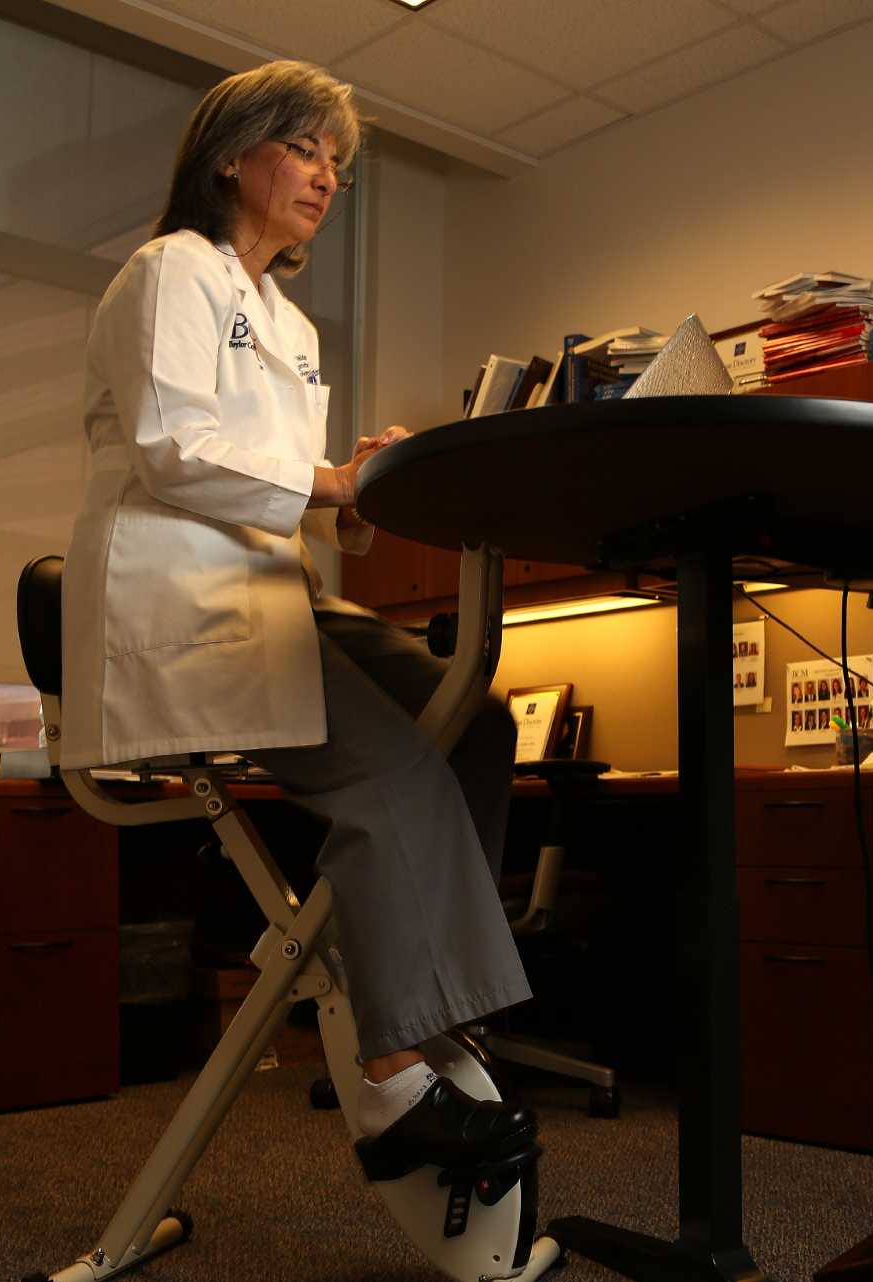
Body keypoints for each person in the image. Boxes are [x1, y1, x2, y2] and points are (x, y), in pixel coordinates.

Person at [62, 61, 535, 1179]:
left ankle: (422, 1000)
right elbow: (177, 450)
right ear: (233, 154)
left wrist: (352, 493)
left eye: (339, 163)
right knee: (390, 777)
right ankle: (391, 1089)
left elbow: (289, 498)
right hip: (184, 602)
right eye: (306, 149)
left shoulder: (291, 323)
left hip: (272, 591)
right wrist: (327, 481)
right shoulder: (170, 270)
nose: (327, 176)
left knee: (473, 719)